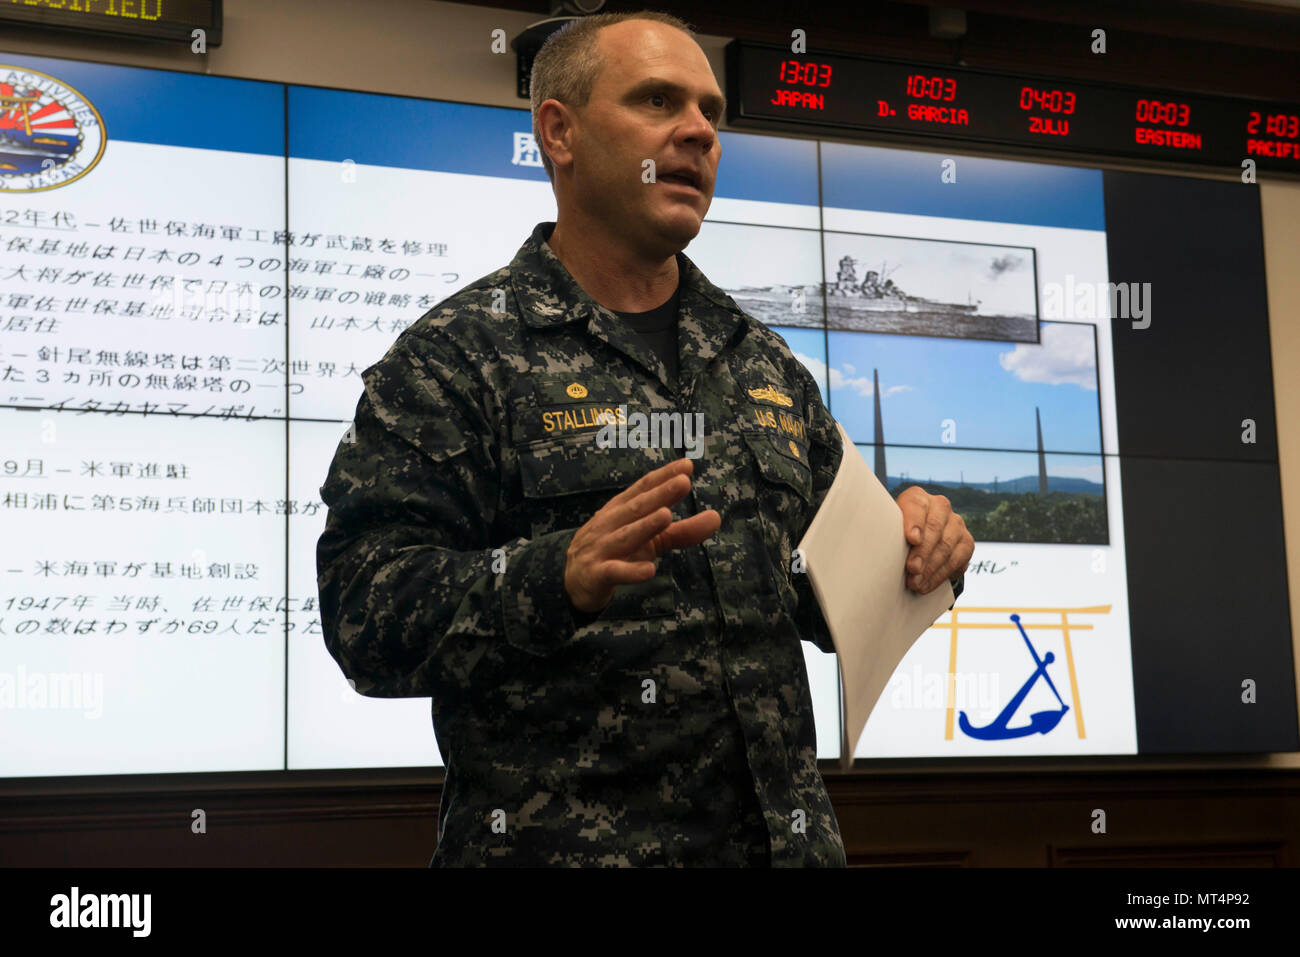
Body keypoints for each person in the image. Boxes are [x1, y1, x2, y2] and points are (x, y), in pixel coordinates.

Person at [315, 10, 974, 867]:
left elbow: (822, 593)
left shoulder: (761, 362)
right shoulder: (457, 359)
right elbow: (364, 612)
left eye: (709, 111)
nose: (700, 131)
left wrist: (920, 545)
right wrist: (555, 575)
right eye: (659, 100)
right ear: (561, 131)